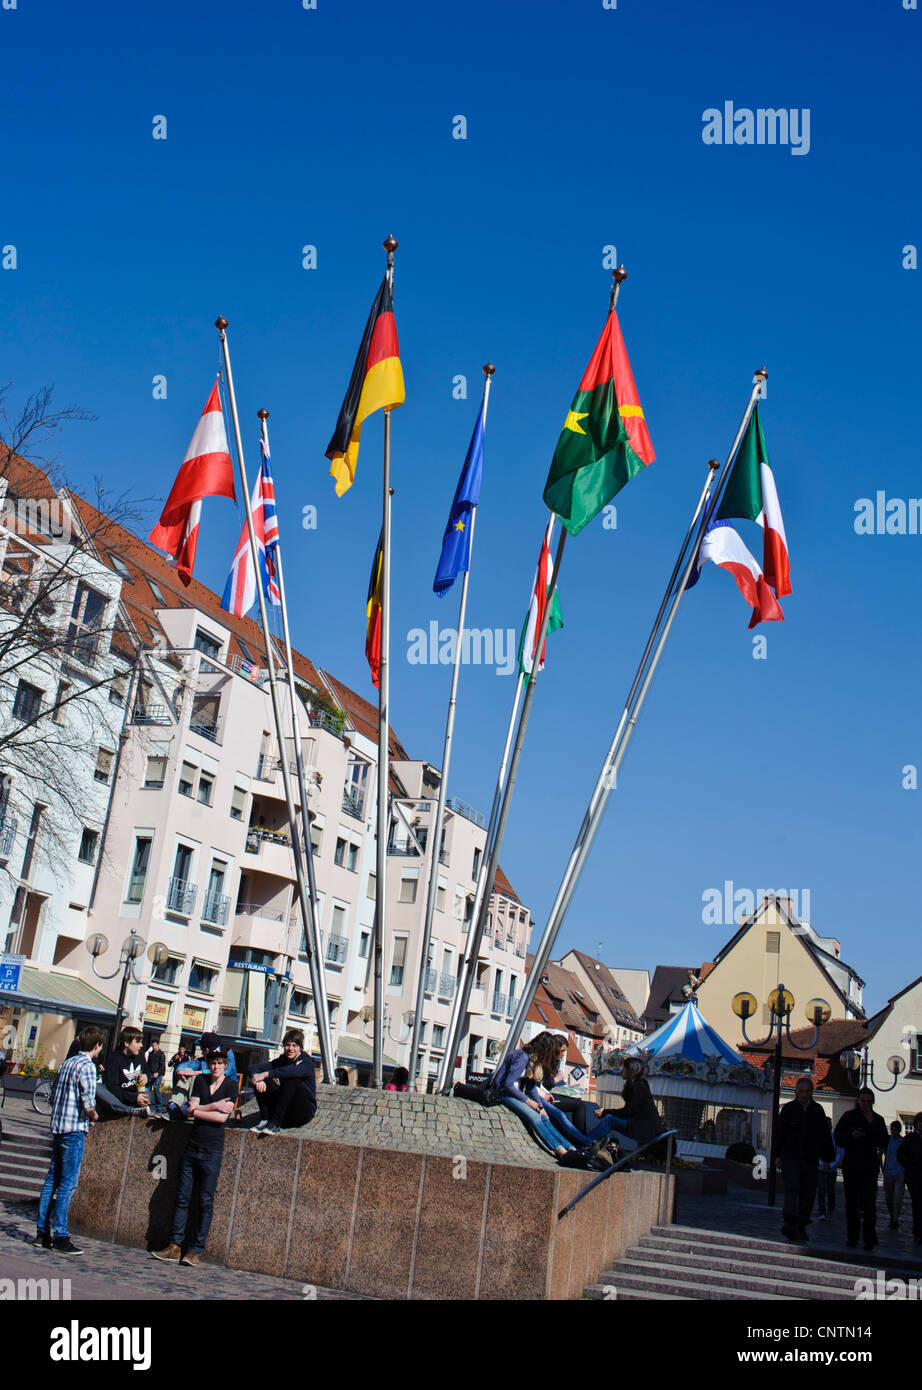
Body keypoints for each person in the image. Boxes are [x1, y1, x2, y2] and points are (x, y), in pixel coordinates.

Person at [151, 1050, 237, 1267]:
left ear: (225, 1065)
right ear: (208, 1064)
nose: (216, 1067)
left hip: (212, 1149)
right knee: (182, 1197)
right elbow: (190, 1109)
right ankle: (174, 1245)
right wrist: (213, 1106)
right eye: (213, 1063)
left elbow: (220, 1118)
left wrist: (201, 1110)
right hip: (193, 1146)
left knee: (205, 1201)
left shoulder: (230, 1086)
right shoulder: (200, 1081)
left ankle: (195, 1250)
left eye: (219, 1063)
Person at [33, 1025, 105, 1254]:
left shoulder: (68, 1062)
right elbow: (87, 1101)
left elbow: (59, 1095)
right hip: (74, 1129)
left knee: (52, 1180)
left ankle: (41, 1232)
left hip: (58, 1127)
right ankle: (60, 1235)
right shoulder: (87, 1066)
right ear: (97, 1046)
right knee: (68, 1183)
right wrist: (93, 1115)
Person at [492, 1033, 612, 1169]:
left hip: (517, 1094)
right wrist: (529, 1102)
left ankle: (571, 1148)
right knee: (534, 1117)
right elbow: (507, 1085)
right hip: (504, 1093)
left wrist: (541, 1108)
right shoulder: (522, 1058)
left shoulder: (532, 1060)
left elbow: (530, 1086)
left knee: (545, 1118)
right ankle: (560, 1150)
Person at [773, 1076, 835, 1242]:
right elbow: (779, 1134)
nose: (804, 1095)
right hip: (791, 1157)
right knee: (791, 1189)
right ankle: (790, 1221)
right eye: (801, 1092)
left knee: (808, 1193)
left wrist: (828, 1159)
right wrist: (777, 1155)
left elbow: (824, 1137)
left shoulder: (817, 1111)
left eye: (807, 1092)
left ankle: (800, 1225)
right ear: (796, 1092)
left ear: (811, 1092)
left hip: (810, 1158)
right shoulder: (788, 1109)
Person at [834, 1086, 888, 1251]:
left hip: (870, 1166)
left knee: (869, 1203)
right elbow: (838, 1137)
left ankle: (869, 1238)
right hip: (852, 1165)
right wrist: (851, 1136)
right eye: (863, 1101)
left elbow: (884, 1142)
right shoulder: (849, 1117)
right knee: (851, 1203)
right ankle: (852, 1236)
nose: (865, 1104)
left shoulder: (877, 1119)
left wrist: (871, 1125)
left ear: (872, 1102)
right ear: (858, 1101)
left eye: (868, 1101)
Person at [248, 1029, 317, 1135]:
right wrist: (257, 1078)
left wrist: (266, 1074)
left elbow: (293, 1071)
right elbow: (254, 1068)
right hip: (285, 1111)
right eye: (287, 1045)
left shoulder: (307, 1062)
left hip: (302, 1112)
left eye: (294, 1045)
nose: (290, 1049)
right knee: (260, 1079)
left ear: (300, 1047)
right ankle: (266, 1119)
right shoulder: (283, 1060)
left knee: (291, 1079)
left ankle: (275, 1123)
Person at [596, 1058, 668, 1156]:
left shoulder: (638, 1086)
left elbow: (627, 1112)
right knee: (610, 1120)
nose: (621, 1070)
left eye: (624, 1068)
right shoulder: (639, 1084)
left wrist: (605, 1112)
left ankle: (587, 1141)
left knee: (610, 1120)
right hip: (646, 1126)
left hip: (645, 1128)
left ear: (631, 1070)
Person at [100, 1026, 150, 1115]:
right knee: (100, 1091)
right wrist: (134, 1098)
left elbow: (147, 1072)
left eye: (141, 1042)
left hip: (137, 1095)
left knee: (152, 1096)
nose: (141, 1045)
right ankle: (130, 1110)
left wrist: (146, 1076)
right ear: (126, 1043)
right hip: (121, 1098)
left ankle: (140, 1107)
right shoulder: (114, 1059)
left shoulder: (140, 1056)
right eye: (138, 1042)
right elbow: (113, 1088)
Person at [897, 1113, 922, 1245]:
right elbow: (901, 1154)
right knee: (917, 1204)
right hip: (914, 1177)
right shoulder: (911, 1138)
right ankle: (918, 1232)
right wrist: (909, 1166)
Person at [815, 1125, 841, 1221]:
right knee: (821, 1189)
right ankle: (822, 1211)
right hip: (820, 1168)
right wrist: (821, 1164)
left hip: (831, 1169)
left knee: (830, 1190)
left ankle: (831, 1207)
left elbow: (839, 1153)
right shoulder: (818, 1137)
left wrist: (831, 1165)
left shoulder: (834, 1138)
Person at [883, 1121, 905, 1230]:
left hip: (900, 1172)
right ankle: (892, 1217)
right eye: (892, 1129)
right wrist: (882, 1167)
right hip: (888, 1172)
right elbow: (880, 1153)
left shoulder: (903, 1142)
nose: (893, 1131)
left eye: (895, 1129)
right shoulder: (887, 1140)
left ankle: (895, 1219)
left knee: (897, 1198)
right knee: (889, 1198)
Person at [144, 1038, 166, 1114]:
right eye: (152, 1045)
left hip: (158, 1074)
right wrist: (147, 1073)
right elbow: (148, 1064)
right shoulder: (151, 1053)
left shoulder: (161, 1054)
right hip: (150, 1073)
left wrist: (158, 1073)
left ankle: (159, 1107)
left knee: (156, 1089)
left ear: (158, 1045)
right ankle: (145, 1105)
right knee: (147, 1088)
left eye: (155, 1045)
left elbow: (162, 1065)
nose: (154, 1047)